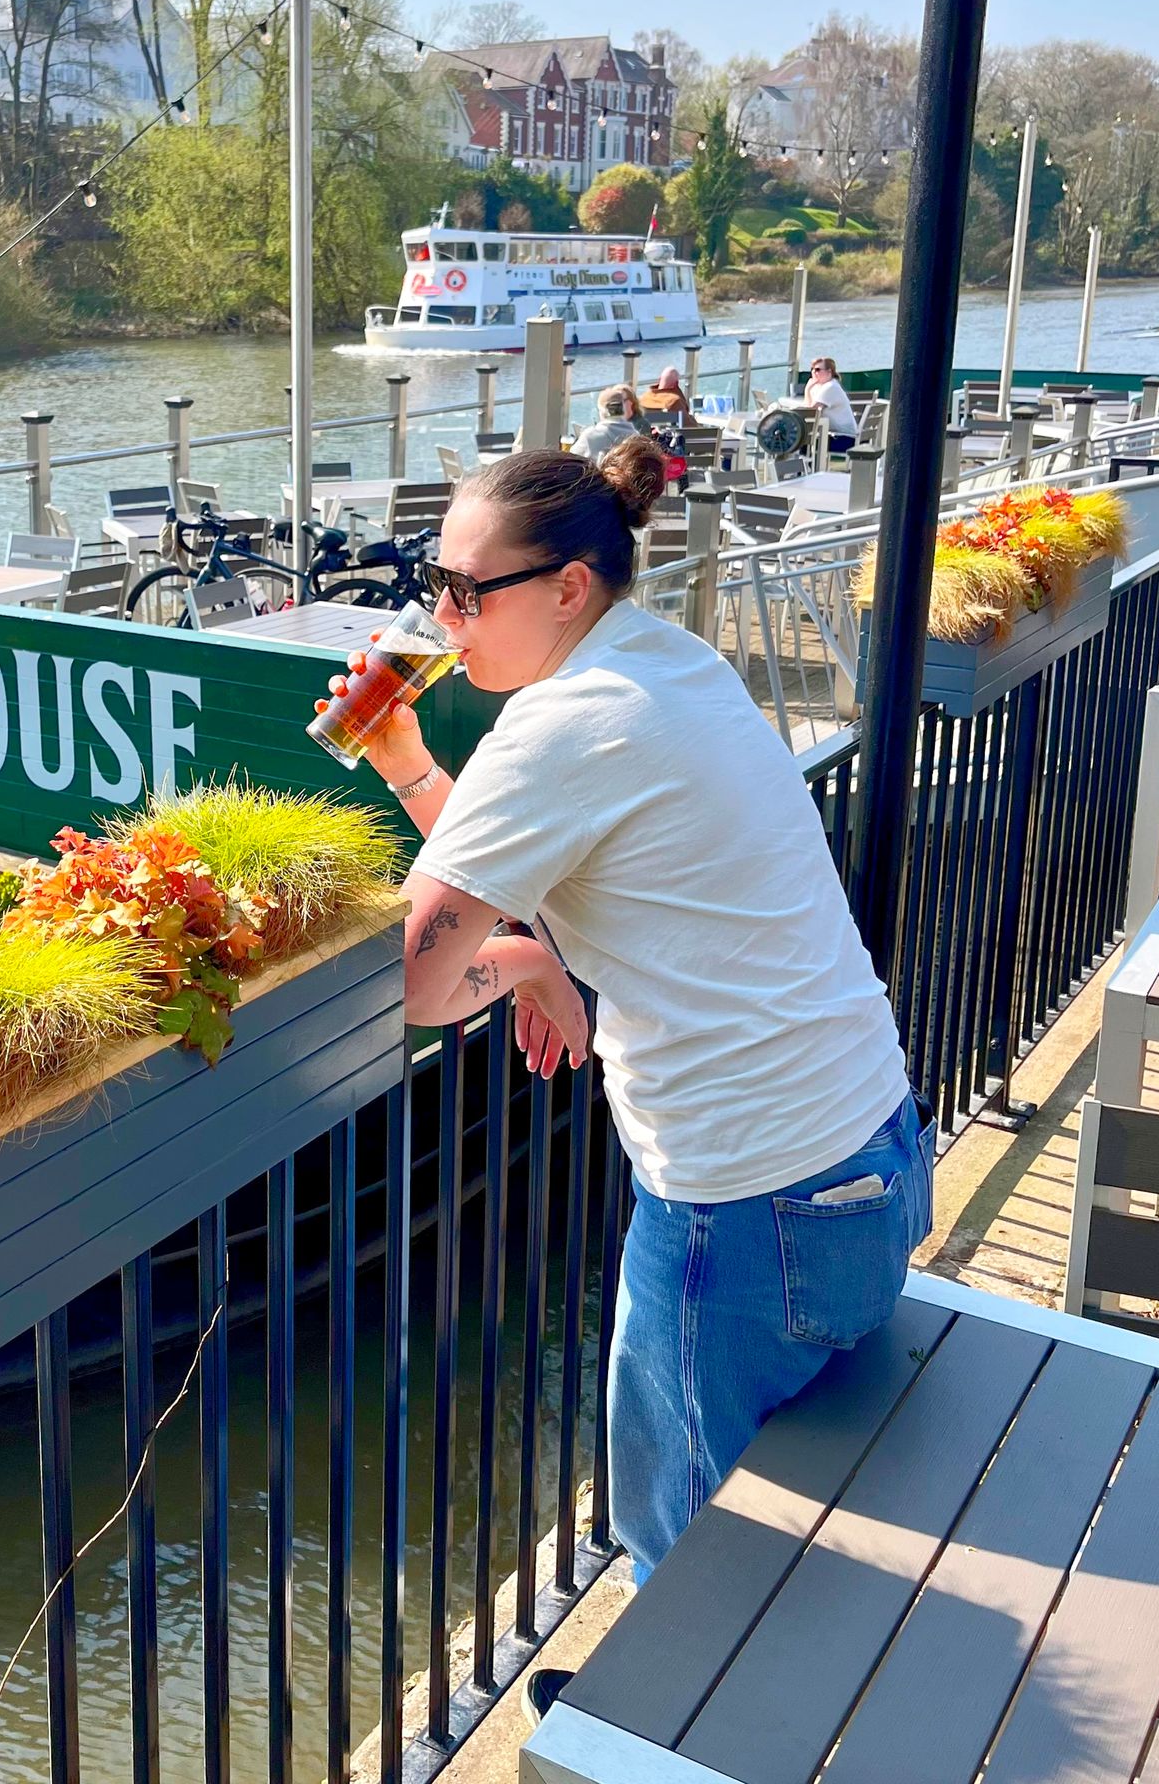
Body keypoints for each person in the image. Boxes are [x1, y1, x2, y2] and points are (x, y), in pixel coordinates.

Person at [317, 441, 928, 1601]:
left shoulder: (556, 728)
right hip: (875, 1157)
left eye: (464, 591)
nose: (439, 618)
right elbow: (529, 857)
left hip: (752, 1211)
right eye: (429, 582)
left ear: (565, 587)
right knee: (726, 1489)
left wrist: (514, 959)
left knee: (676, 1536)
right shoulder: (664, 664)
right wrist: (407, 764)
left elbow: (416, 982)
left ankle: (664, 1738)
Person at [571, 384, 643, 462]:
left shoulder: (590, 436)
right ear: (622, 409)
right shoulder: (636, 437)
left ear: (601, 411)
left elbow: (571, 458)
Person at [804, 355, 858, 453]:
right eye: (812, 369)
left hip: (845, 439)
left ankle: (807, 467)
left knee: (803, 443)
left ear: (829, 372)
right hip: (836, 435)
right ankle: (808, 467)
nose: (814, 372)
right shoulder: (822, 387)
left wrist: (807, 389)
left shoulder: (830, 387)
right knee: (805, 441)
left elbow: (810, 412)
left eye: (817, 370)